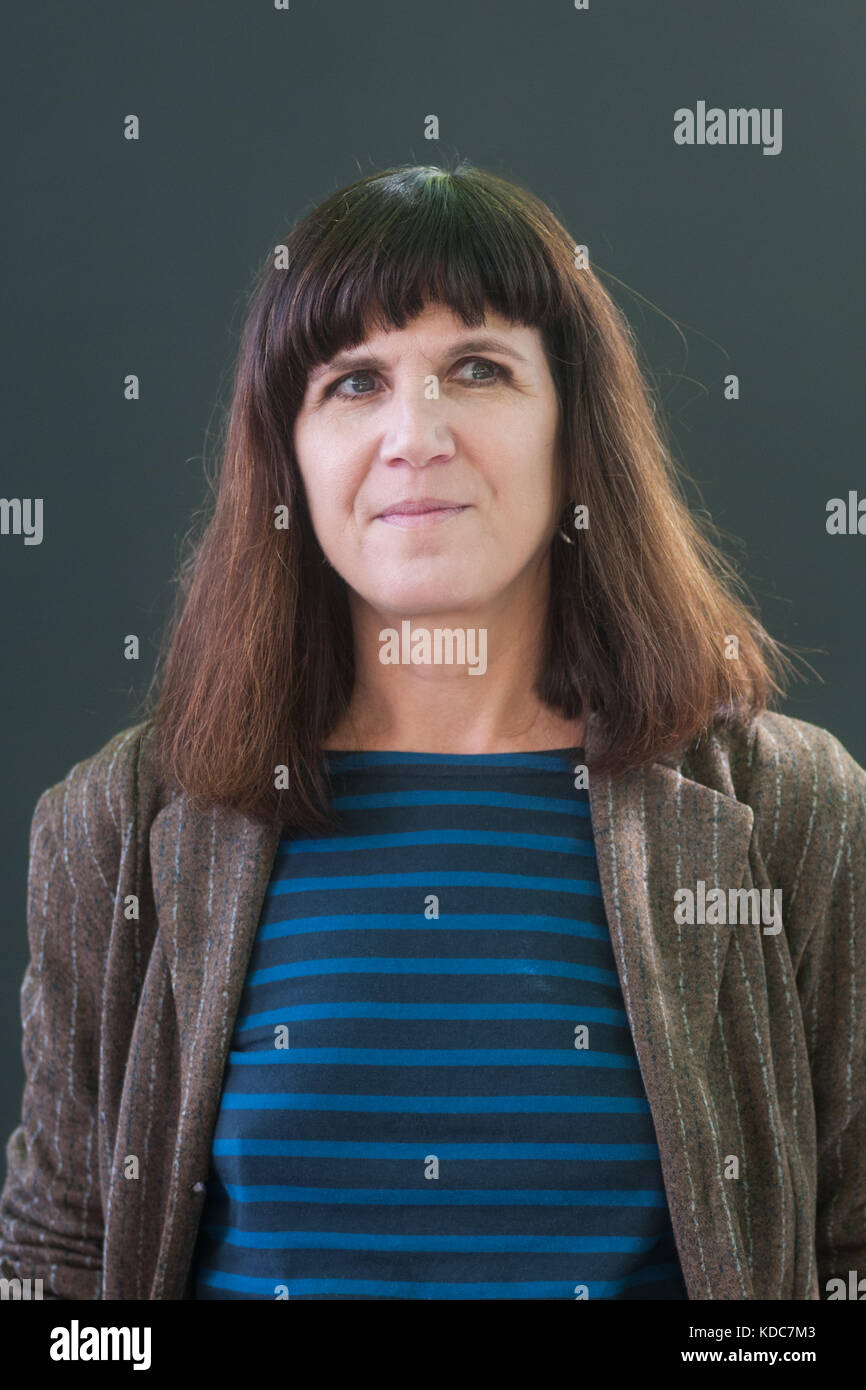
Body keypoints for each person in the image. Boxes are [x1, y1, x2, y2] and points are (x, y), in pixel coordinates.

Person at [1, 161, 864, 1301]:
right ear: (288, 457)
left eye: (477, 368)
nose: (416, 434)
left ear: (573, 432)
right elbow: (57, 1274)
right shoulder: (113, 825)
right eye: (352, 383)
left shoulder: (793, 812)